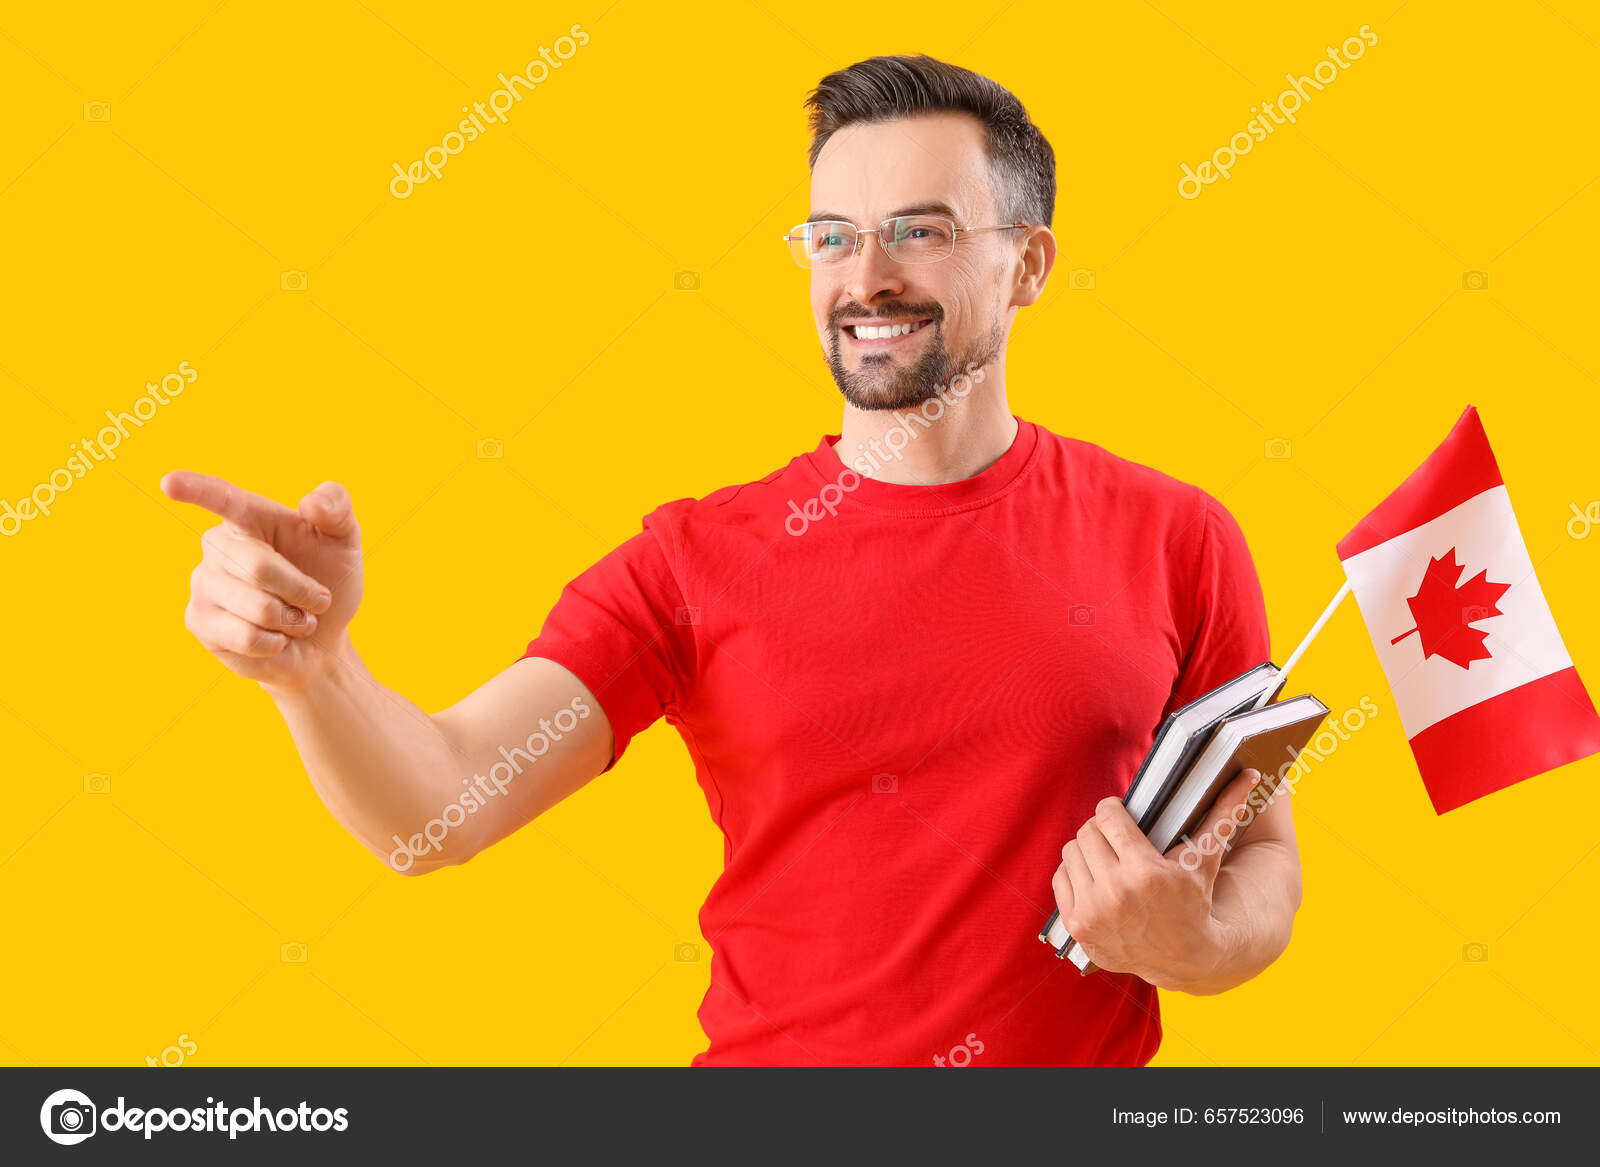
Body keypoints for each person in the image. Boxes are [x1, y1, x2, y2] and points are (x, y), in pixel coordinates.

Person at [163, 54, 1301, 1066]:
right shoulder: (691, 565)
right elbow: (442, 806)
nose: (865, 278)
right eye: (832, 236)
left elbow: (1262, 859)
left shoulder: (1178, 538)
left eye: (920, 229)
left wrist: (1196, 946)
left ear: (1029, 265)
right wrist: (316, 673)